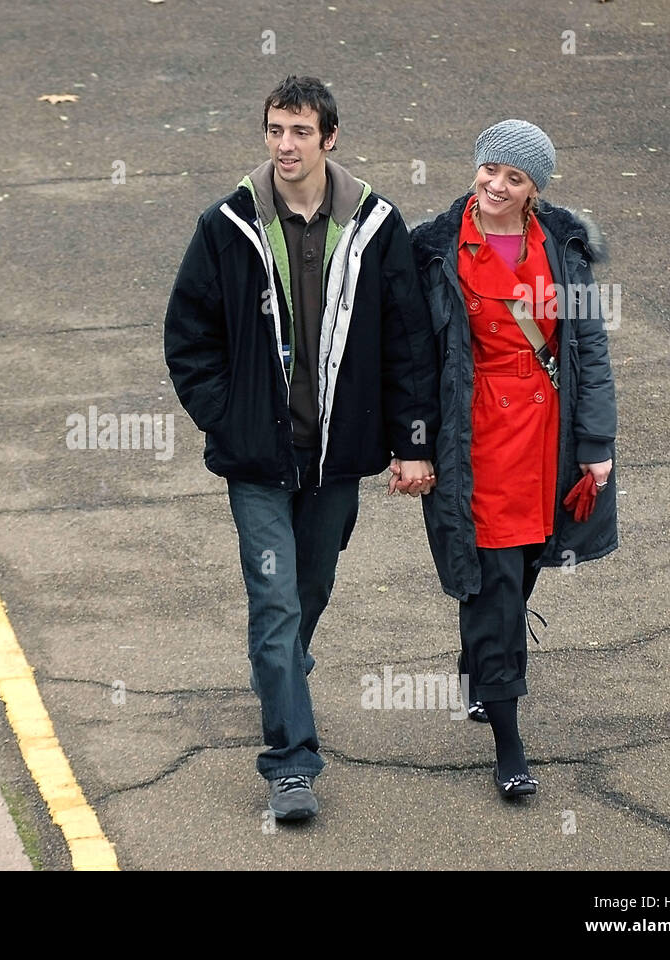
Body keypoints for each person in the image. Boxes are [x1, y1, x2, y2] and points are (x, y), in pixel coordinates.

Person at [164, 75, 439, 821]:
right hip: (256, 460)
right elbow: (189, 338)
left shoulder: (378, 226)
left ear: (331, 138)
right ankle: (292, 763)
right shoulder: (227, 225)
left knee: (307, 596)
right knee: (276, 603)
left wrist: (413, 443)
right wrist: (228, 420)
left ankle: (280, 670)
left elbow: (409, 345)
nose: (285, 146)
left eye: (300, 133)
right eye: (274, 131)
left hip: (335, 460)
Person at [409, 119, 619, 798]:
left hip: (550, 439)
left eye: (515, 178)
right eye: (490, 170)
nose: (497, 185)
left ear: (535, 190)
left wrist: (595, 445)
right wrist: (411, 444)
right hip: (476, 444)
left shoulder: (564, 246)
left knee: (527, 566)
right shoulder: (435, 249)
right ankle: (508, 742)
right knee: (494, 585)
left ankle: (477, 665)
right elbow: (411, 360)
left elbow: (587, 347)